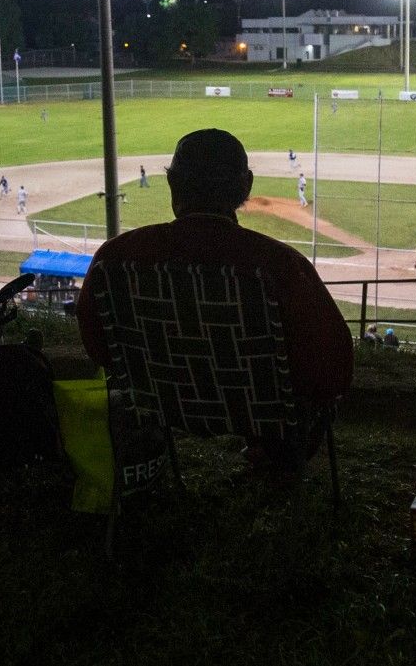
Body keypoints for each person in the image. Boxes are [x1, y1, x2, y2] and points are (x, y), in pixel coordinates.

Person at [74, 129, 353, 468]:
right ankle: (277, 463)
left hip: (159, 402)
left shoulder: (115, 258)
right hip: (265, 413)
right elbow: (332, 367)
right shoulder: (277, 265)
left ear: (173, 185)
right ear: (245, 186)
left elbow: (99, 346)